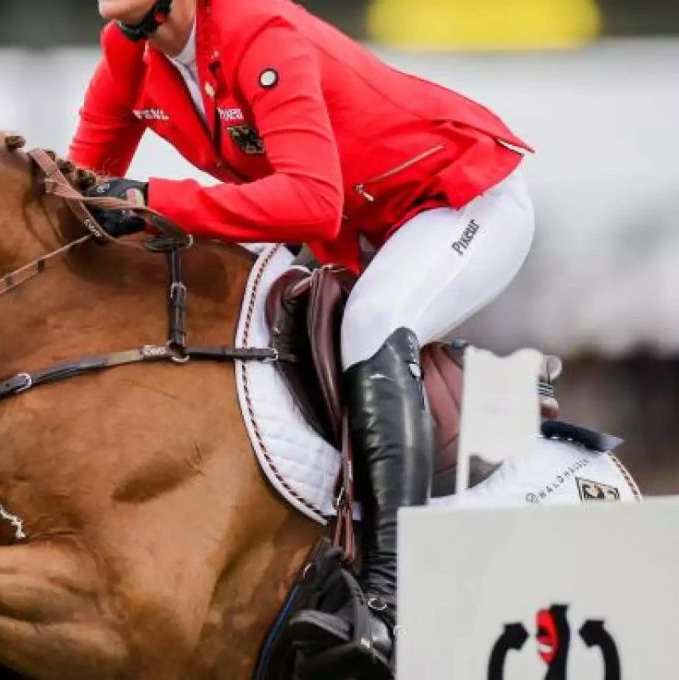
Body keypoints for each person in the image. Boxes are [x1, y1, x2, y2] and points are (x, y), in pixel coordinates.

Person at [71, 0, 535, 676]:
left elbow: (311, 201)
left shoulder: (259, 31)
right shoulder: (128, 52)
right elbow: (77, 192)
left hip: (460, 198)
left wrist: (158, 202)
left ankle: (392, 592)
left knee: (375, 322)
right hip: (362, 230)